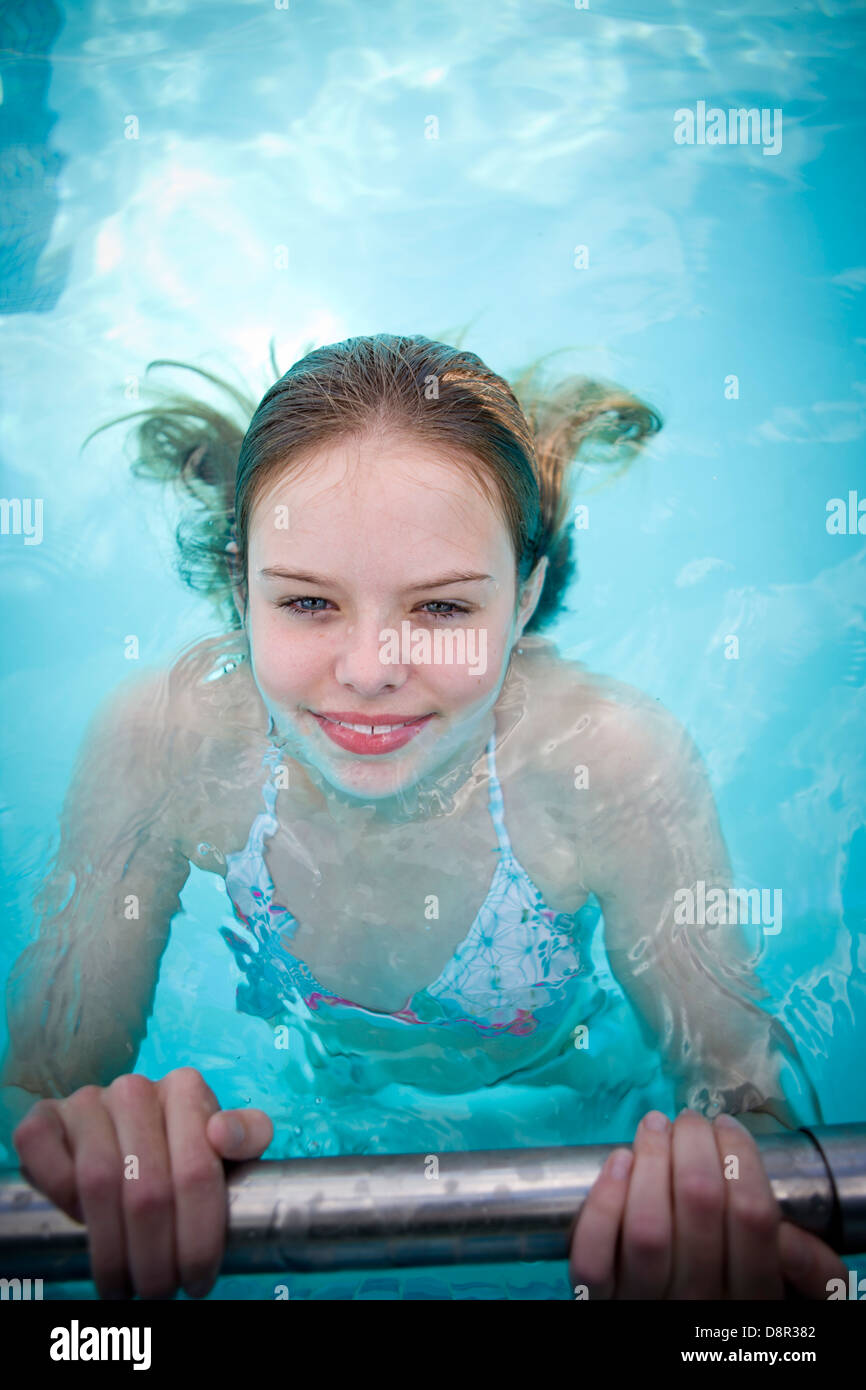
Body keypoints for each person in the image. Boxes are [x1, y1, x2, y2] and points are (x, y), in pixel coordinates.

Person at [0, 334, 846, 1301]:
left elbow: (743, 1088)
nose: (369, 669)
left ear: (526, 595)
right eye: (309, 601)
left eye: (441, 610)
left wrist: (727, 1177)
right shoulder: (163, 743)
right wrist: (82, 1137)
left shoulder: (610, 763)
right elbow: (46, 1081)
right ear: (242, 586)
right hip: (310, 1087)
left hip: (553, 1092)